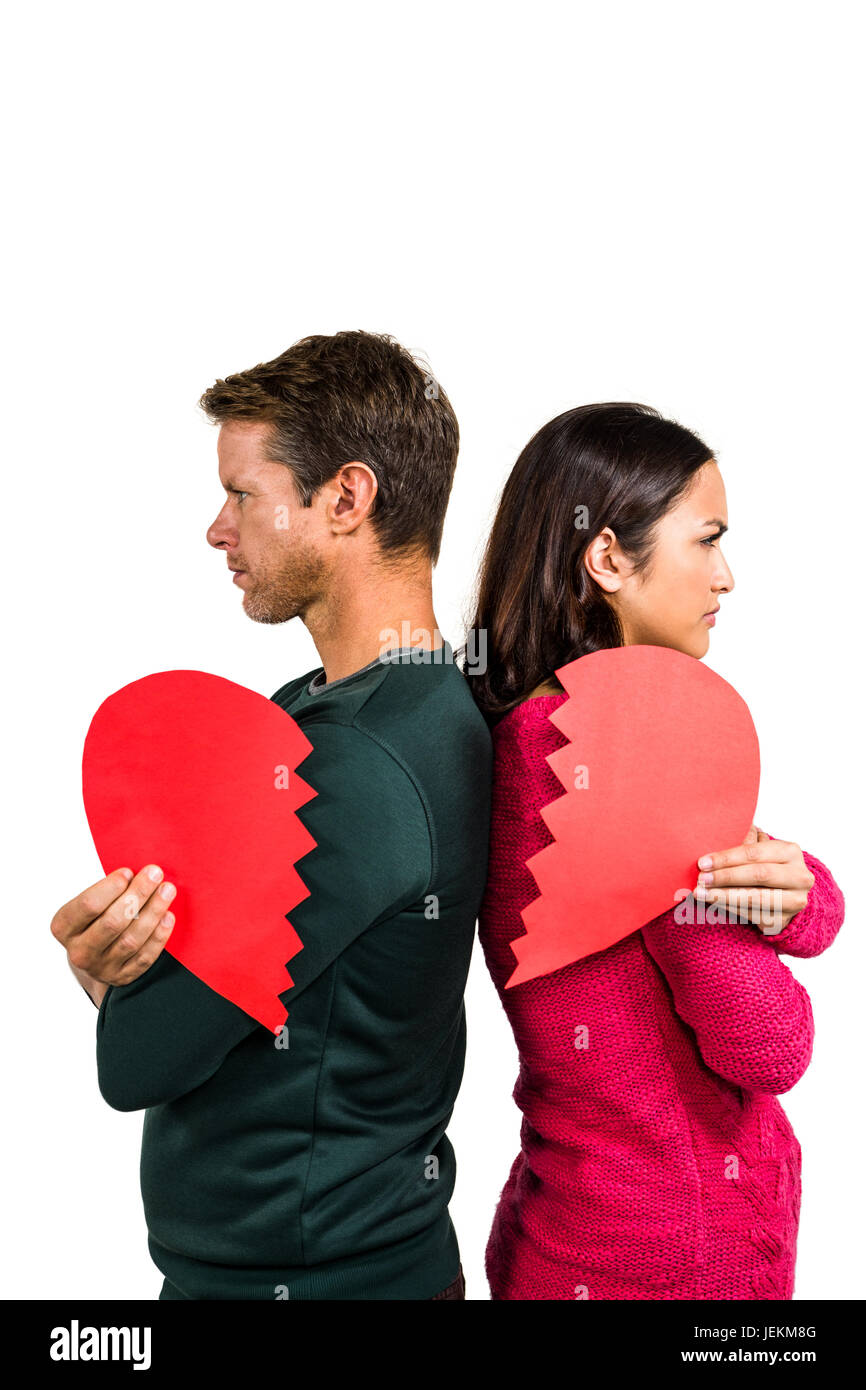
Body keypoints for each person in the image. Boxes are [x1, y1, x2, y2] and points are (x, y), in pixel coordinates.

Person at [50, 330, 492, 1300]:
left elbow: (140, 1059)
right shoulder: (376, 708)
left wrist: (106, 972)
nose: (218, 528)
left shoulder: (349, 763)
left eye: (242, 493)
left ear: (345, 498)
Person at [462, 402, 845, 1300]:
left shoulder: (521, 732)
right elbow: (770, 1046)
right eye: (706, 541)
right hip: (674, 1257)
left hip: (558, 1231)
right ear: (606, 561)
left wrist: (802, 898)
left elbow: (801, 899)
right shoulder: (636, 760)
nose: (728, 576)